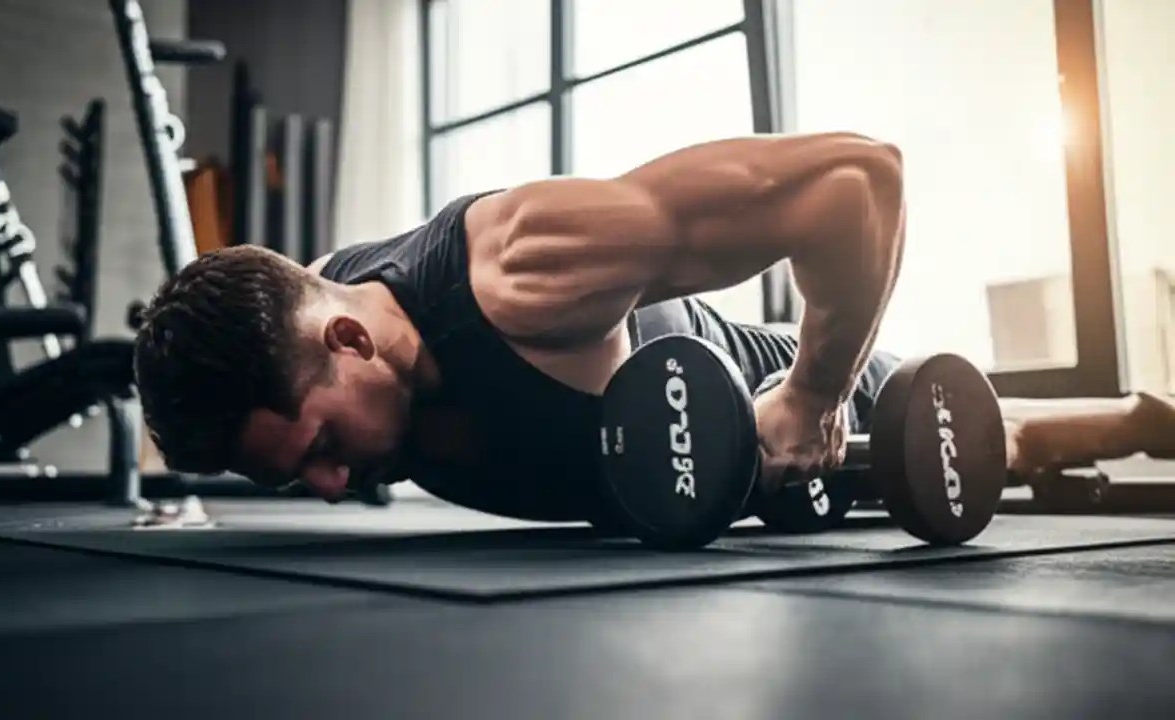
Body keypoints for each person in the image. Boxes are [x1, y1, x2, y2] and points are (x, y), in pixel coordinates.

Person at [133, 133, 1175, 524]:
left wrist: (809, 400)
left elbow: (856, 183)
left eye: (317, 451)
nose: (328, 487)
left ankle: (1147, 413)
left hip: (765, 421)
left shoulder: (522, 267)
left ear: (351, 344)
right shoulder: (307, 299)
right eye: (291, 478)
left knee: (1010, 437)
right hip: (670, 481)